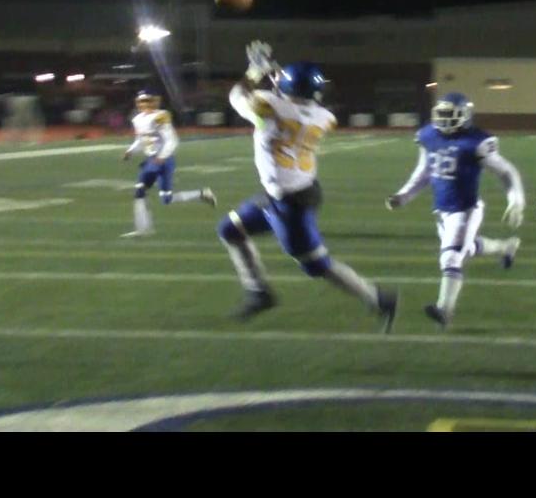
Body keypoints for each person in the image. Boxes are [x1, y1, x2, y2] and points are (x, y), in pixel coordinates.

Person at [221, 41, 398, 331]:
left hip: (291, 204)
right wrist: (280, 81)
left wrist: (255, 71)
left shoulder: (269, 107)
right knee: (230, 229)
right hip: (293, 191)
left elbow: (237, 95)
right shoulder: (325, 117)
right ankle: (258, 292)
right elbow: (293, 107)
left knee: (317, 266)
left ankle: (379, 299)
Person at [385, 92, 525, 329]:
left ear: (465, 116)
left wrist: (516, 199)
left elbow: (506, 171)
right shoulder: (429, 135)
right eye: (442, 114)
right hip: (442, 209)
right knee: (467, 249)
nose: (445, 119)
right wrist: (404, 195)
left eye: (450, 115)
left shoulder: (476, 141)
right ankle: (506, 246)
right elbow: (424, 171)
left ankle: (444, 310)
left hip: (466, 209)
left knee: (451, 257)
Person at [121, 91, 215, 238]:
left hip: (162, 161)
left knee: (158, 196)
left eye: (148, 101)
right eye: (142, 101)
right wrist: (130, 151)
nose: (145, 104)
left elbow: (172, 140)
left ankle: (202, 194)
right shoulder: (137, 119)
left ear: (153, 102)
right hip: (150, 160)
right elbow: (141, 140)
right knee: (148, 194)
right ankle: (143, 228)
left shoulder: (161, 116)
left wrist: (163, 156)